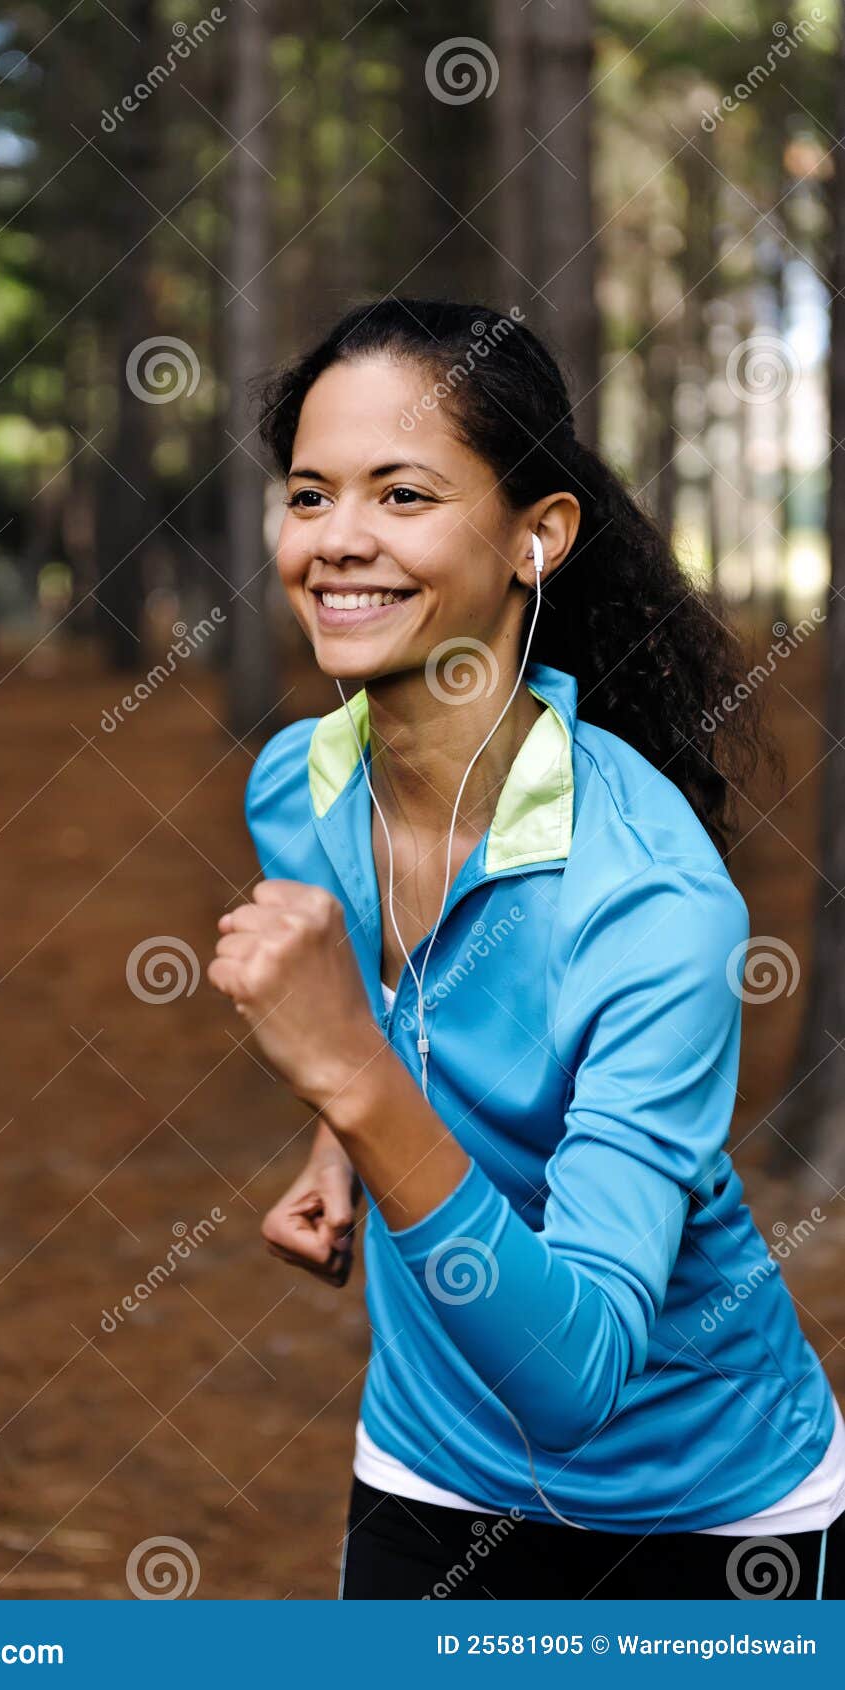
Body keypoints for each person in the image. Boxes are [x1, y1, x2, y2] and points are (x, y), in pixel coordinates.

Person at [207, 298, 845, 1600]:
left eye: (401, 493)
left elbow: (579, 1380)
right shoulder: (296, 790)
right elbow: (394, 1007)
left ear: (534, 537)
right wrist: (339, 1145)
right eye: (310, 493)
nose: (338, 541)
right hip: (427, 1465)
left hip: (703, 1515)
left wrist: (353, 1085)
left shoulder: (652, 902)